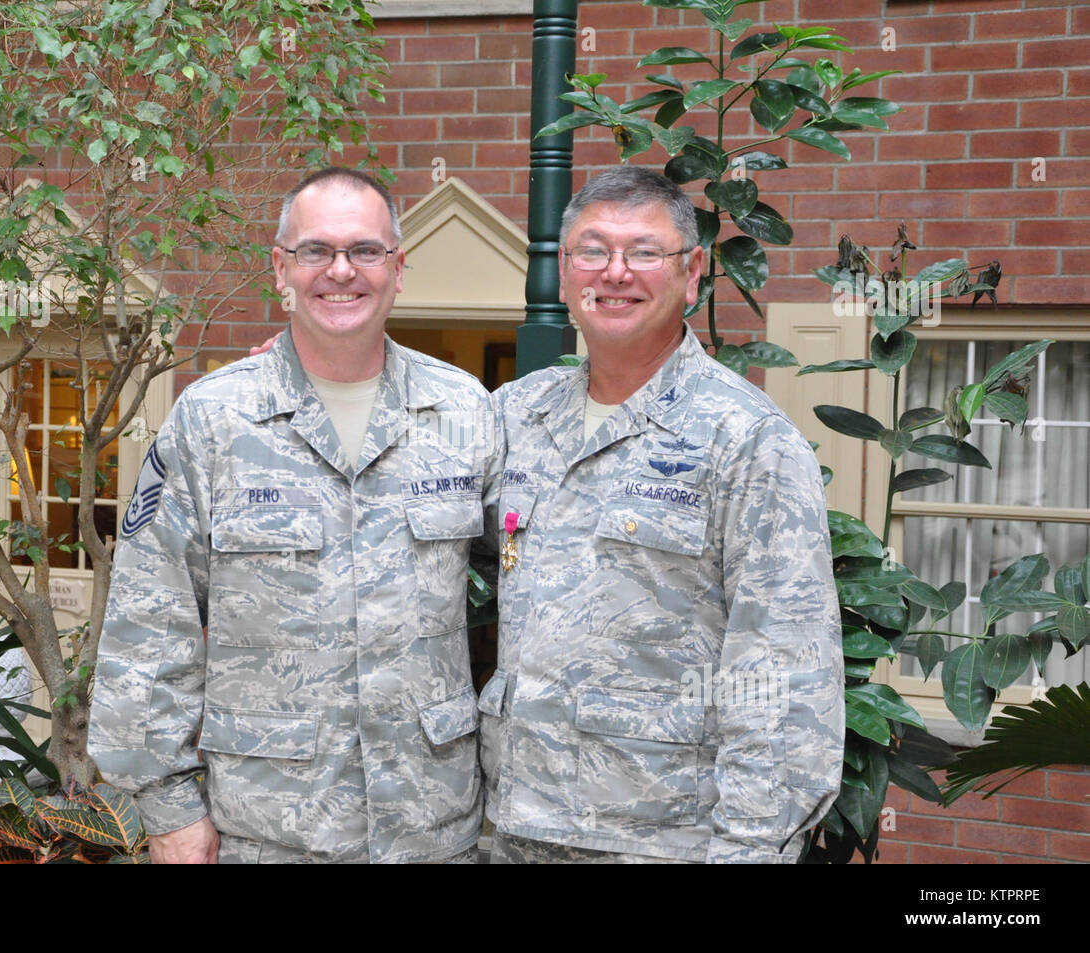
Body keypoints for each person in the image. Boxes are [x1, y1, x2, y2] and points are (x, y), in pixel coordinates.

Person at [89, 167, 497, 863]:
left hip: (434, 832)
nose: (342, 271)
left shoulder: (465, 411)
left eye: (367, 250)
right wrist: (167, 808)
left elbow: (521, 589)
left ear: (399, 268)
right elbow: (149, 623)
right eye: (317, 251)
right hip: (266, 832)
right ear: (281, 268)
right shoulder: (212, 420)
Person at [478, 166, 844, 863]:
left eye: (644, 251)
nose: (615, 273)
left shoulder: (748, 442)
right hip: (518, 829)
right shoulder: (512, 417)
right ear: (564, 269)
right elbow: (400, 486)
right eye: (593, 250)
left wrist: (751, 850)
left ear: (693, 270)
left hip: (667, 844)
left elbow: (786, 679)